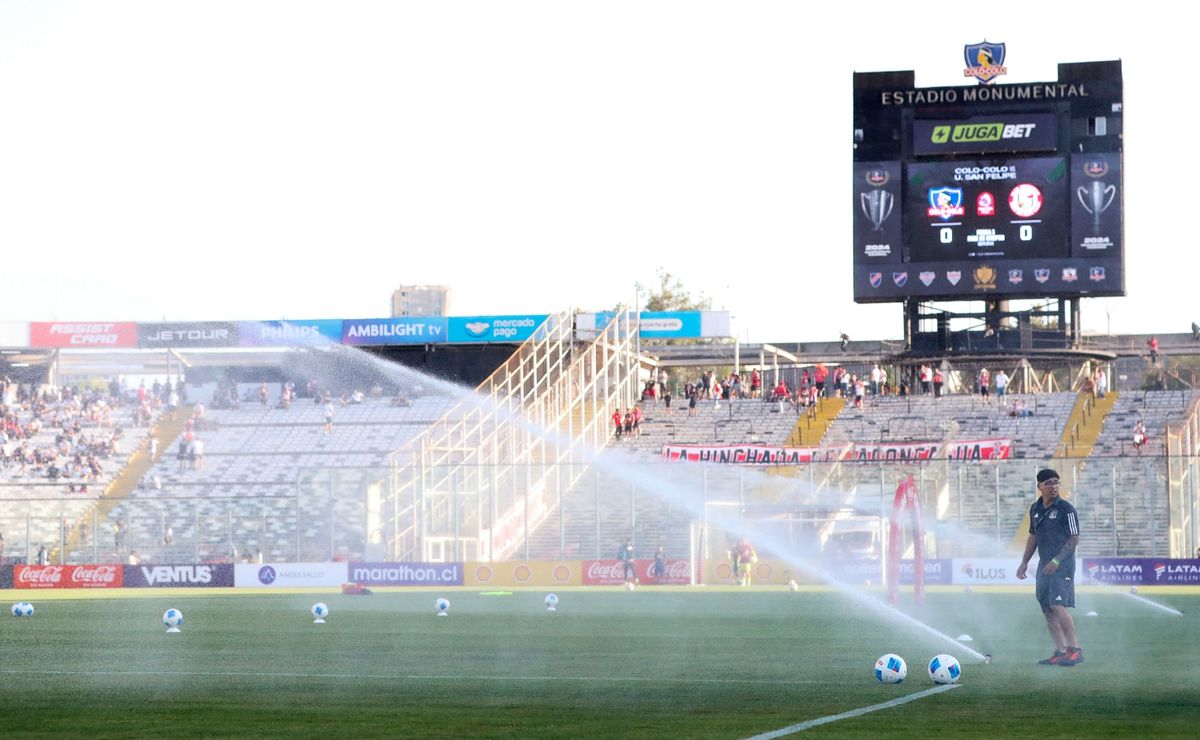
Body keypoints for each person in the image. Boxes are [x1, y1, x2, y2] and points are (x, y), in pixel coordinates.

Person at [1017, 468, 1083, 667]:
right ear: (1039, 486)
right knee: (1047, 608)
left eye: (1056, 482)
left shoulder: (1067, 509)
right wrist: (1024, 561)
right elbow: (1033, 536)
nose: (1053, 486)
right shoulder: (1035, 509)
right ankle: (1060, 650)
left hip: (1062, 566)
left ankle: (1075, 650)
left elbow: (1074, 538)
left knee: (1057, 605)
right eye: (1048, 483)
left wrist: (1056, 561)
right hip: (1043, 566)